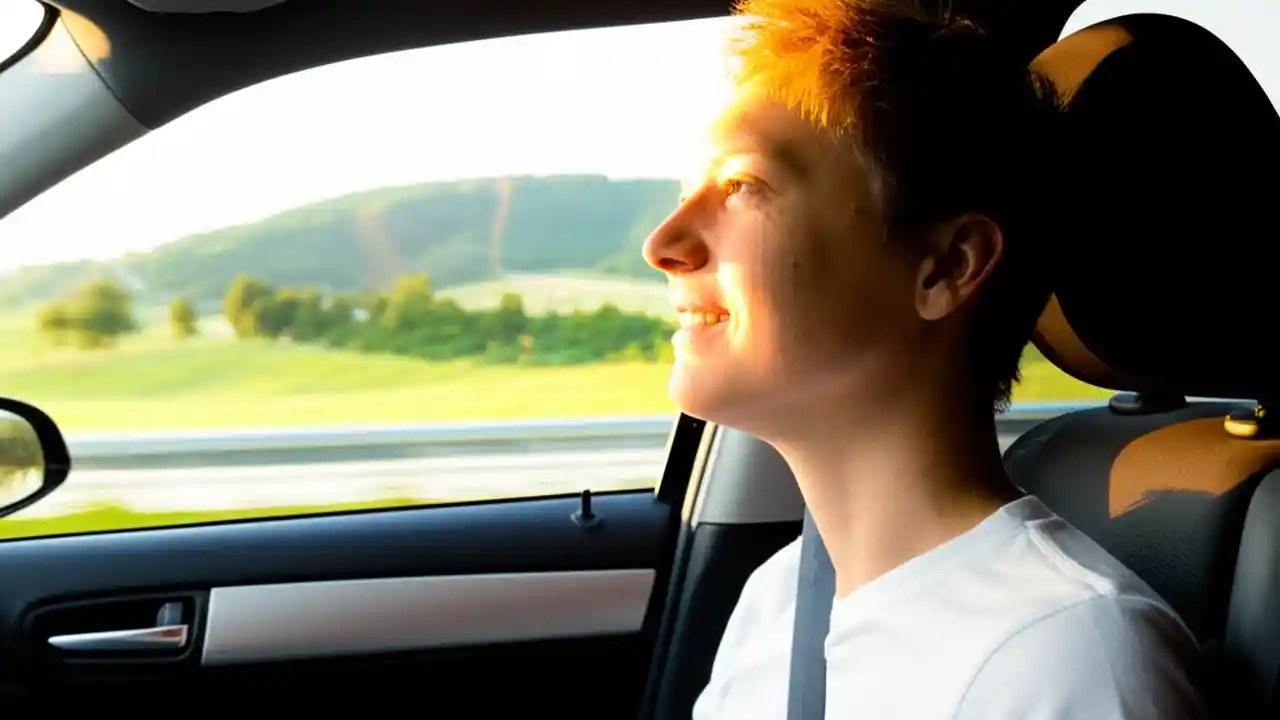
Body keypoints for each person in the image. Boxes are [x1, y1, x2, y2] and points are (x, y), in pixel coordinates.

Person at [640, 0, 1208, 717]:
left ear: (946, 266)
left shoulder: (1068, 658)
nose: (662, 244)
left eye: (743, 187)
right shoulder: (778, 599)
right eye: (685, 194)